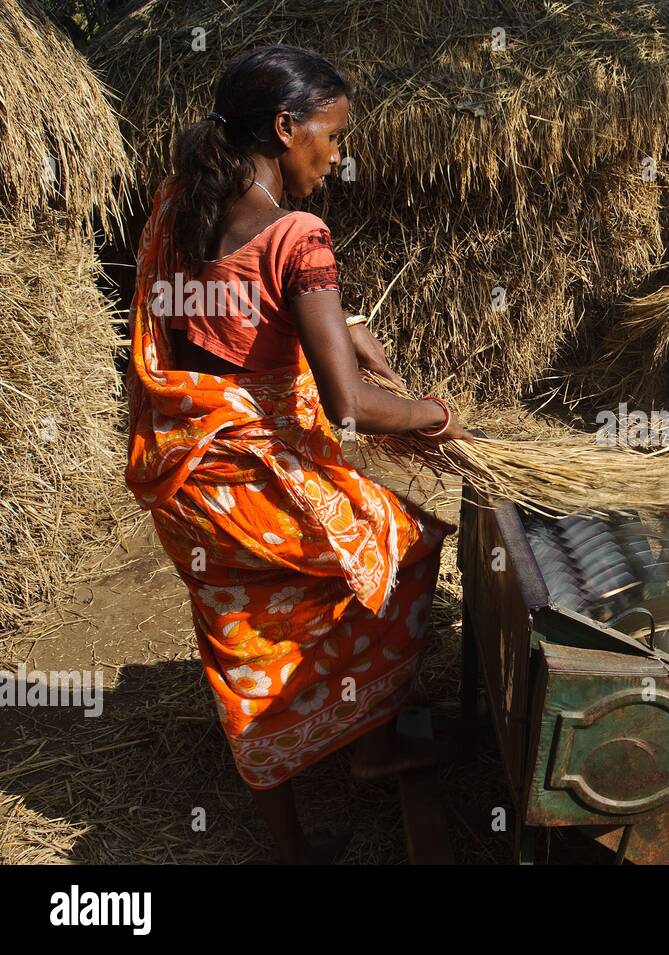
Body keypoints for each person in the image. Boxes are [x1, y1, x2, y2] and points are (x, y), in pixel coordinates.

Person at [125, 44, 470, 863]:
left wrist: (343, 329)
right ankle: (371, 741)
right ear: (285, 128)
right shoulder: (299, 236)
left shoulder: (177, 205)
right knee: (403, 550)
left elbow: (223, 335)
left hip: (193, 488)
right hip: (258, 483)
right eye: (332, 135)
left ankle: (290, 840)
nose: (338, 154)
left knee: (245, 635)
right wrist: (430, 414)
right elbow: (350, 407)